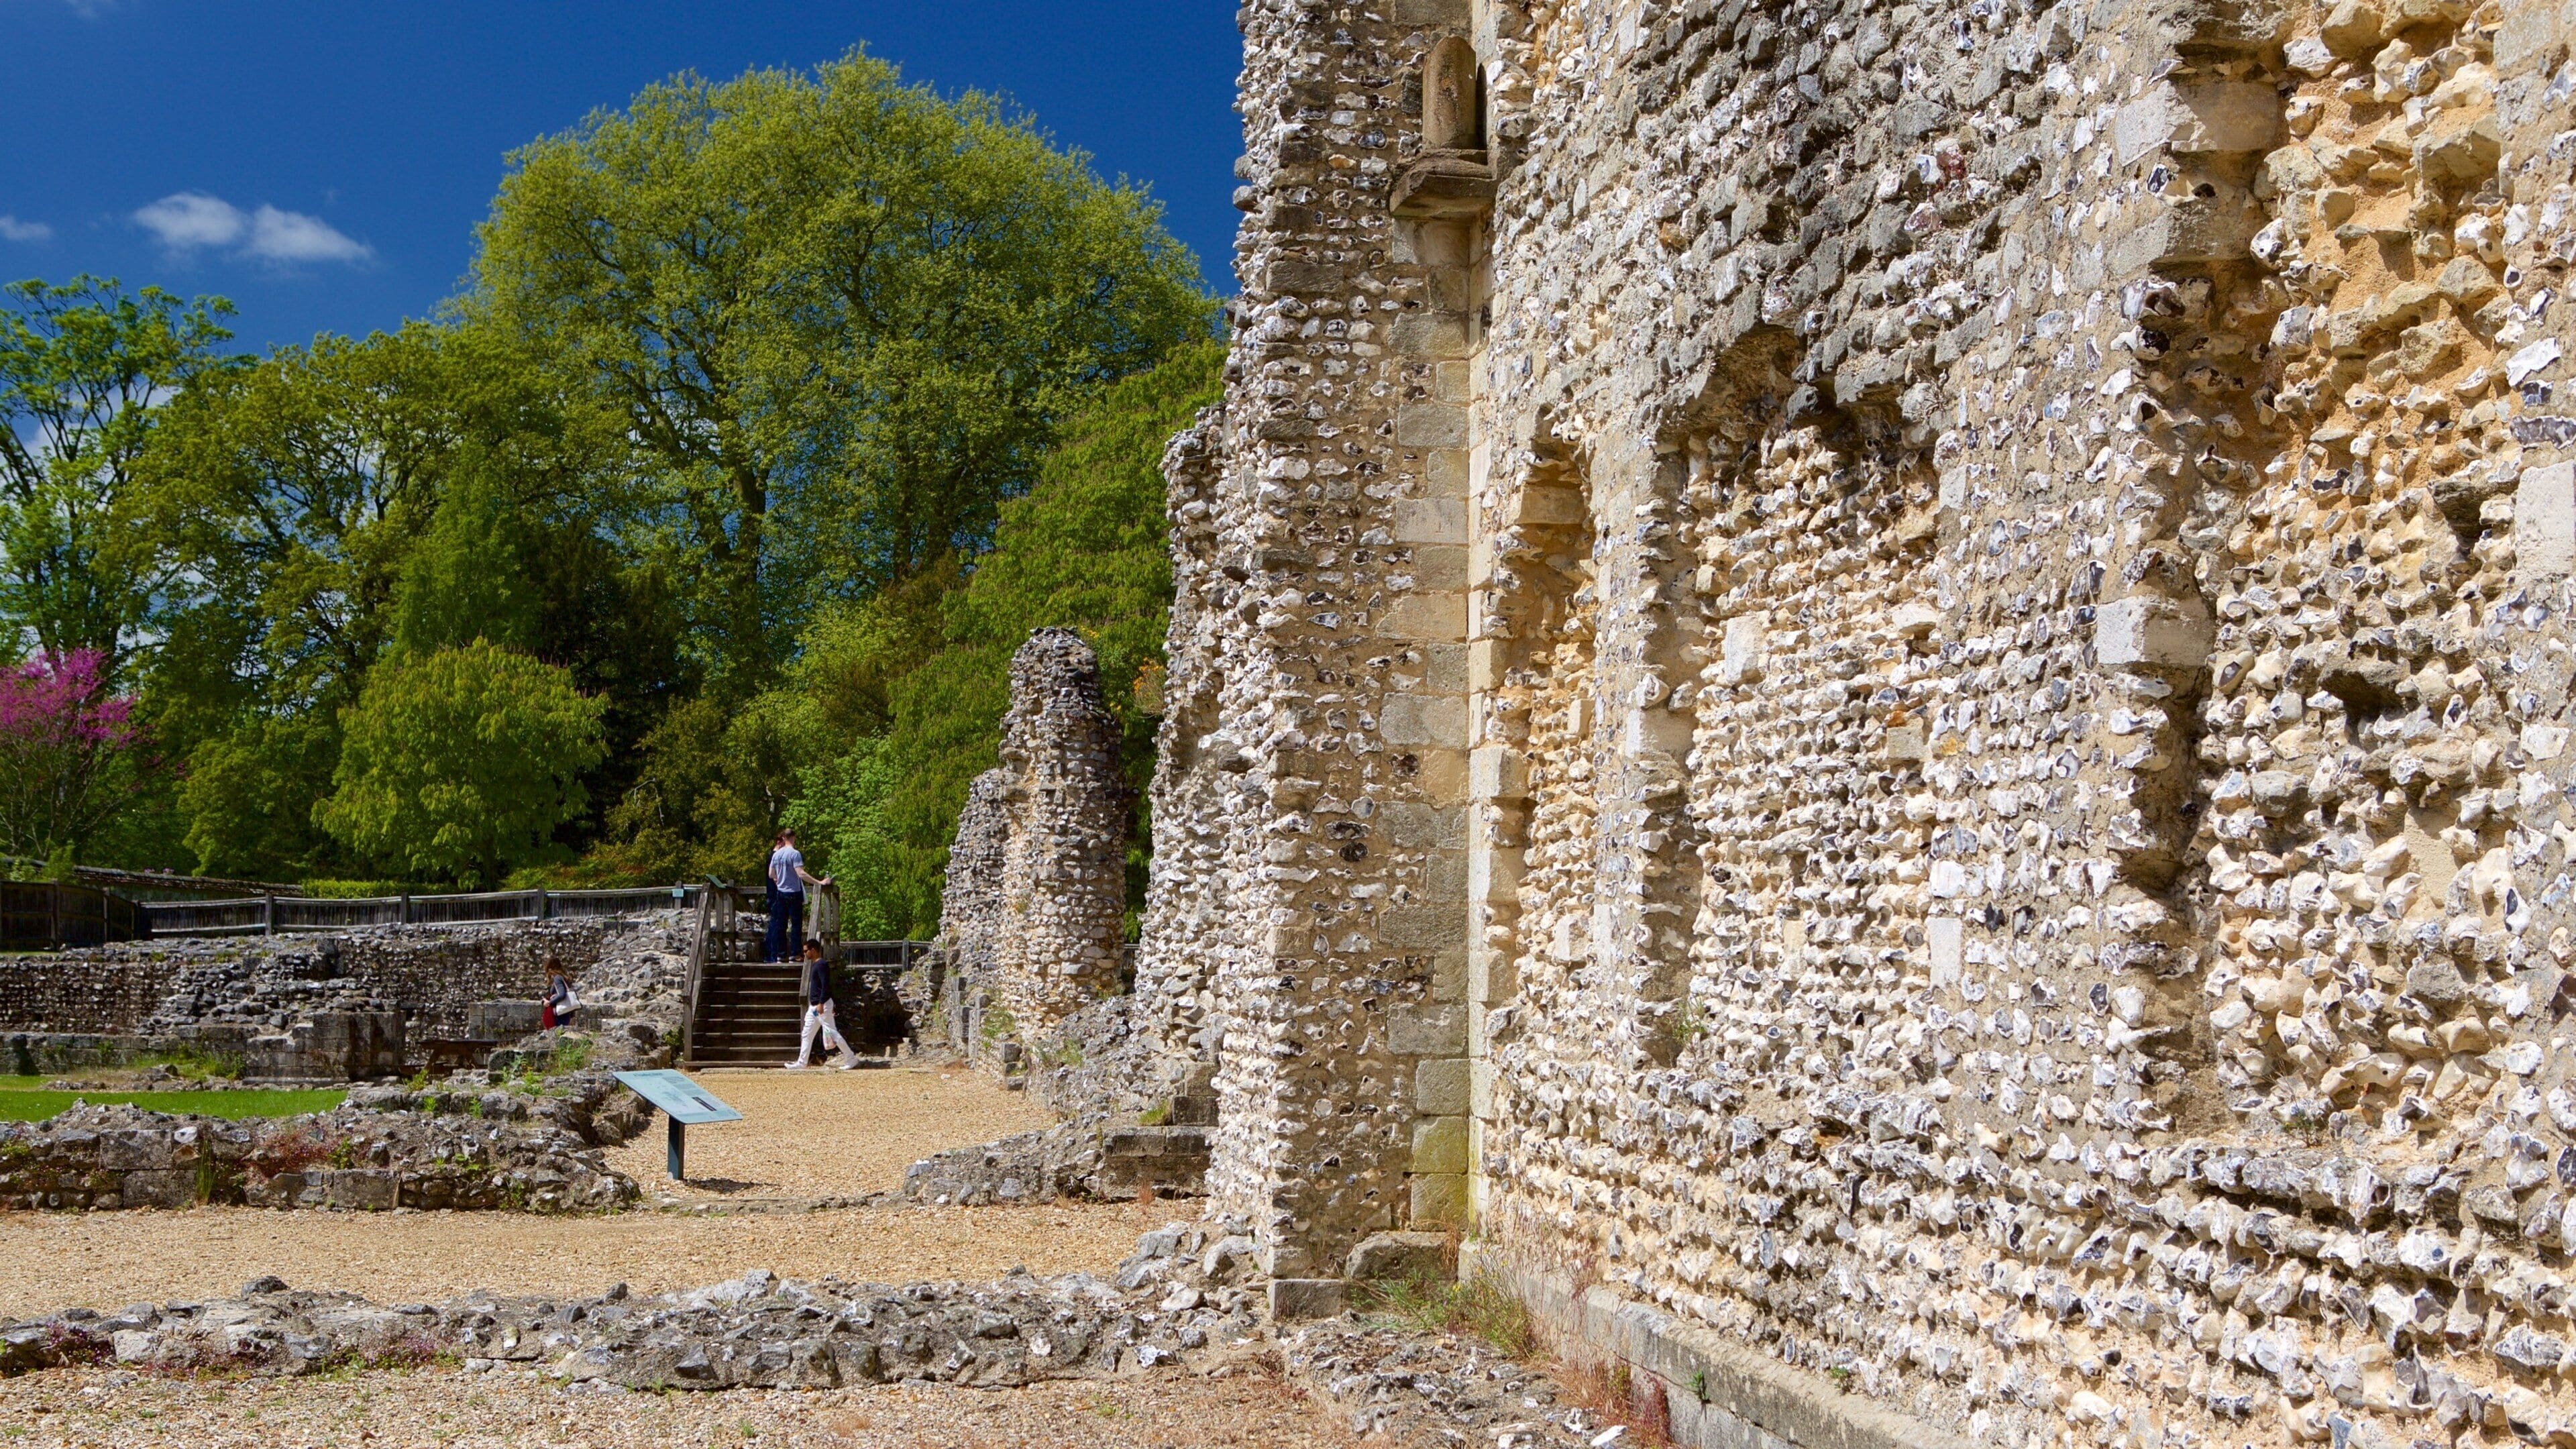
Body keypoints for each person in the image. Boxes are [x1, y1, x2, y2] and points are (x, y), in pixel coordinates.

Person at [785, 940, 859, 1070]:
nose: (805, 953)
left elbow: (826, 985)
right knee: (807, 1034)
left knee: (832, 1032)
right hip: (813, 1007)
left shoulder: (822, 965)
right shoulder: (815, 965)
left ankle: (851, 1058)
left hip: (821, 1006)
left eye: (806, 951)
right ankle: (802, 1063)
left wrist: (822, 1002)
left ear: (813, 950)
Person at [764, 828, 831, 962]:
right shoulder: (795, 854)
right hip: (794, 893)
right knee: (796, 925)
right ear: (793, 838)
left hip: (781, 893)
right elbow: (801, 873)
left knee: (781, 925)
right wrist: (819, 882)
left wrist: (780, 880)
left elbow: (771, 874)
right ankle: (794, 953)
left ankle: (781, 954)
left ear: (783, 838)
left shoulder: (776, 855)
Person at [541, 957, 580, 1031]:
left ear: (549, 968)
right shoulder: (563, 977)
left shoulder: (557, 978)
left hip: (560, 1014)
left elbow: (562, 994)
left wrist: (550, 1002)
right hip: (565, 1013)